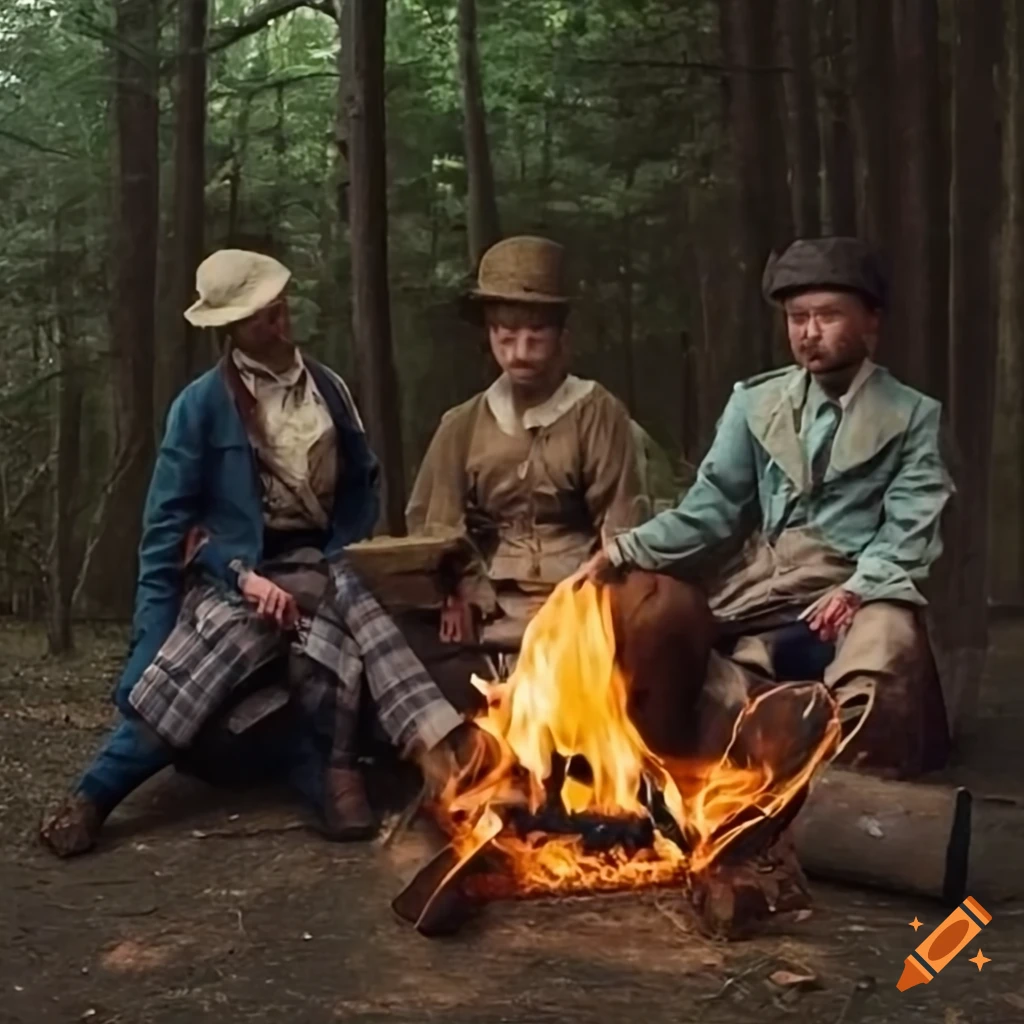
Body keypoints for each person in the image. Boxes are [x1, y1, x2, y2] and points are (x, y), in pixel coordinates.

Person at [40, 249, 479, 857]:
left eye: (278, 309)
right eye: (259, 319)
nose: (278, 323)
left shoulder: (329, 388)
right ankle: (92, 796)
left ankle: (416, 768)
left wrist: (336, 552)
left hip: (322, 562)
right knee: (219, 653)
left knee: (349, 611)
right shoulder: (199, 406)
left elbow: (361, 484)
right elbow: (168, 527)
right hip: (231, 574)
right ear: (231, 330)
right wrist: (157, 635)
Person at [579, 236, 954, 778]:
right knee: (677, 644)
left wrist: (857, 588)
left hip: (856, 584)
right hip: (764, 585)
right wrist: (626, 549)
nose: (809, 332)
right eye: (797, 317)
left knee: (884, 647)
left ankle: (855, 793)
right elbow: (712, 509)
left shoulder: (913, 415)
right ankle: (696, 779)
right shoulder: (756, 402)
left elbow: (909, 530)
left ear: (871, 321)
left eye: (828, 316)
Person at [403, 235, 649, 706]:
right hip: (491, 595)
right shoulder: (463, 423)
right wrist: (455, 592)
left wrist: (591, 590)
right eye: (505, 335)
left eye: (535, 336)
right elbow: (434, 523)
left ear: (562, 338)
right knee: (409, 648)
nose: (519, 351)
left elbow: (621, 521)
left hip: (577, 586)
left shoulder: (597, 412)